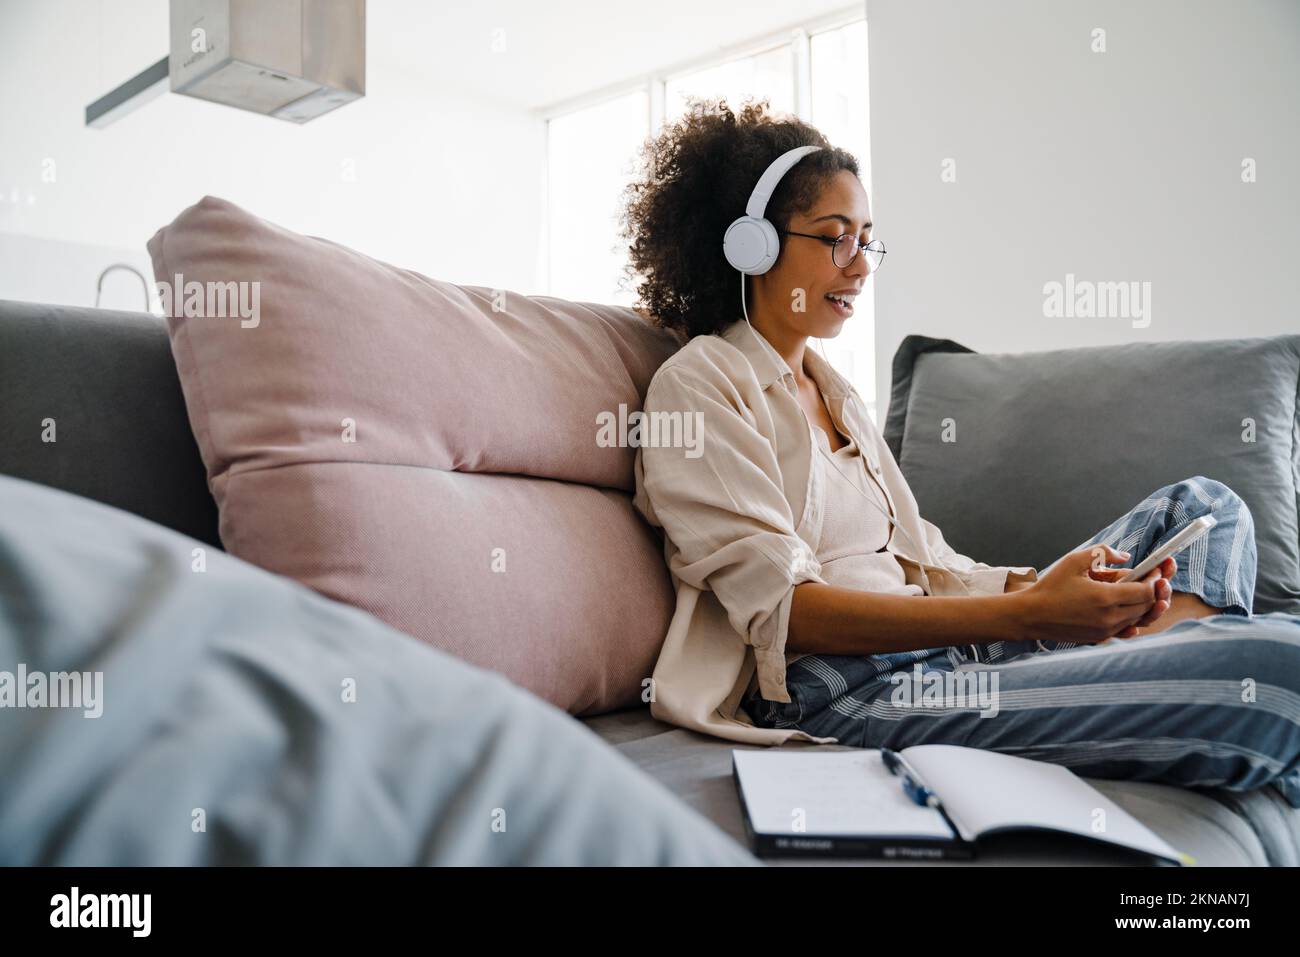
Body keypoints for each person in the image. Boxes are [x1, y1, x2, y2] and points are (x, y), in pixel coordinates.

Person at [620, 96, 1300, 806]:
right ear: (751, 245)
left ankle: (1152, 672)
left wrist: (1041, 588)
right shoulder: (699, 387)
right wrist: (1032, 616)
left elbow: (929, 563)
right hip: (847, 692)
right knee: (1282, 667)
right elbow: (790, 610)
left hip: (947, 651)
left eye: (867, 240)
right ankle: (1174, 681)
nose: (859, 265)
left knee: (1207, 507)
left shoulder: (834, 391)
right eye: (834, 238)